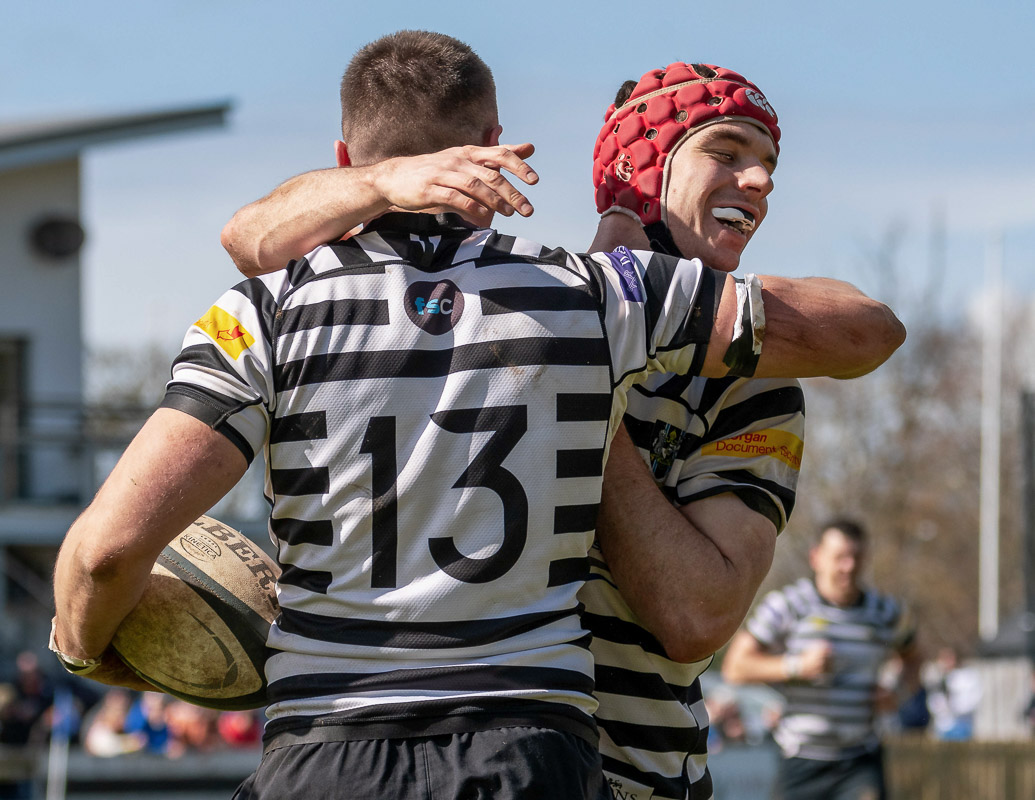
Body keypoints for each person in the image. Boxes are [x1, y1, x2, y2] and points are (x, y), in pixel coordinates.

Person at [52, 31, 904, 800]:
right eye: (726, 150)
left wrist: (86, 649)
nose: (757, 182)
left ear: (346, 155)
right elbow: (250, 232)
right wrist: (568, 375)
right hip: (530, 752)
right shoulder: (586, 299)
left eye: (767, 165)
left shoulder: (269, 311)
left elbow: (106, 550)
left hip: (356, 747)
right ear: (491, 151)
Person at [722, 518, 920, 800]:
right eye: (840, 557)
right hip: (801, 758)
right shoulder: (788, 605)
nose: (849, 567)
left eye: (857, 557)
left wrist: (898, 692)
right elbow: (734, 667)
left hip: (859, 758)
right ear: (816, 557)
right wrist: (796, 666)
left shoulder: (885, 612)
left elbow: (914, 658)